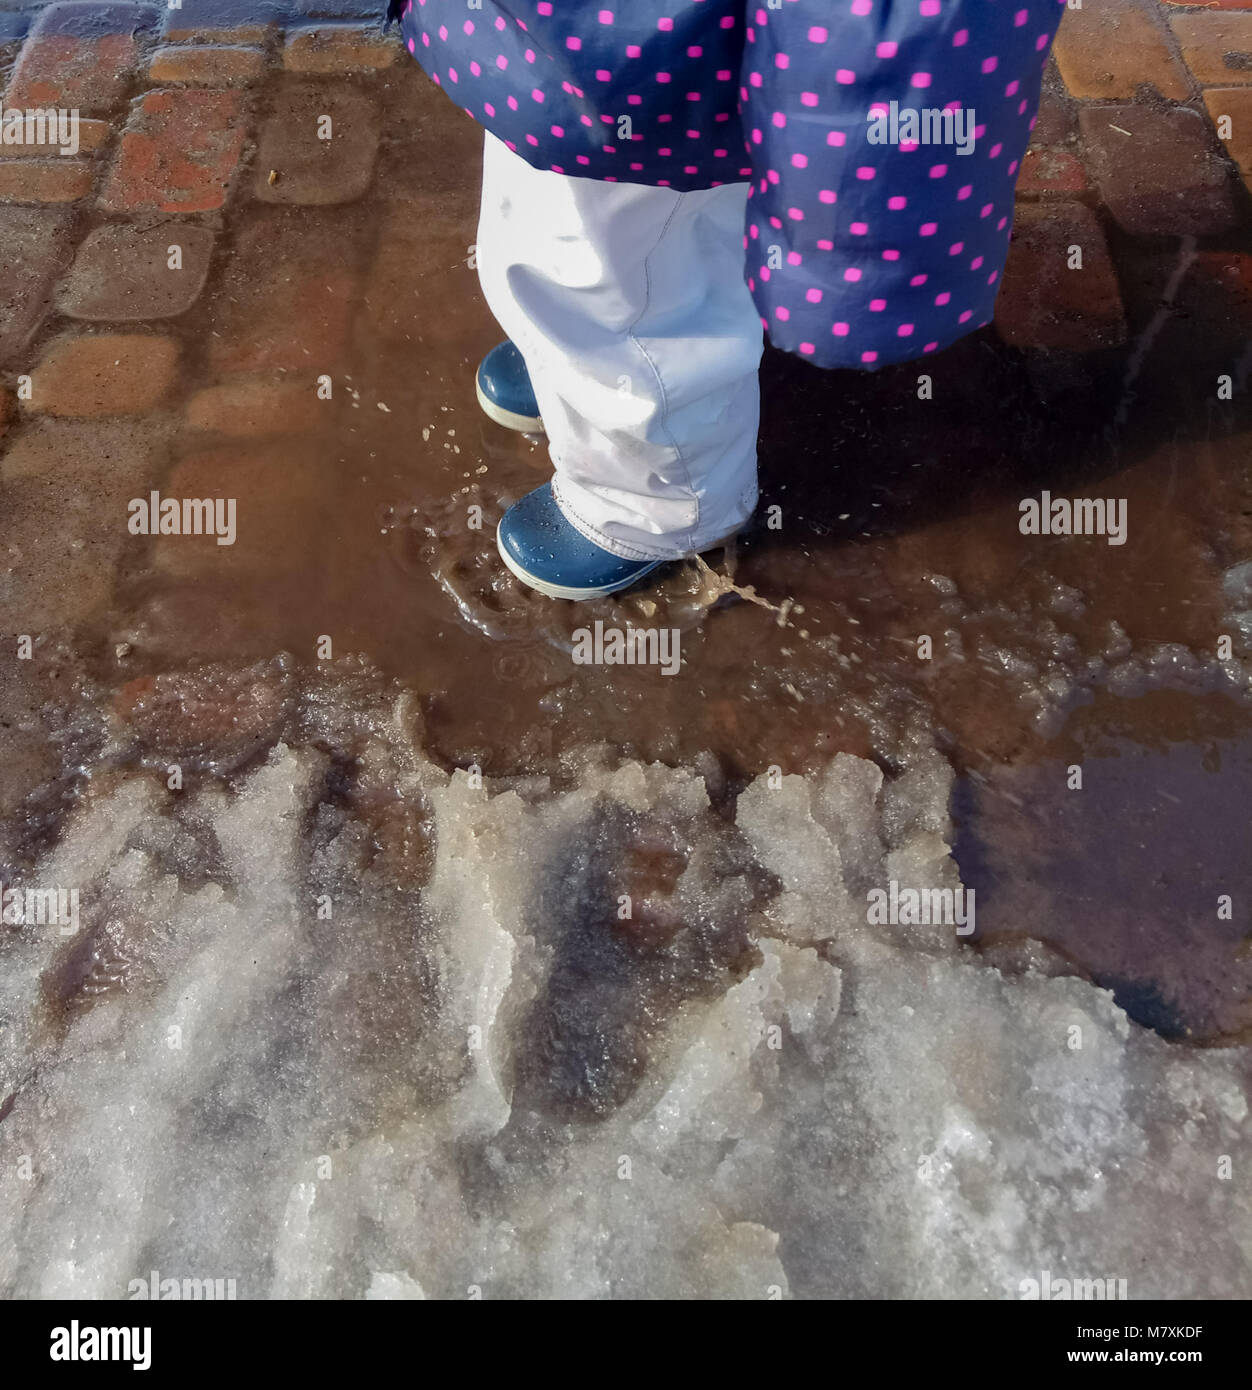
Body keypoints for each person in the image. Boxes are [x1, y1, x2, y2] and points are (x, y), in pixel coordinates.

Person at [388, 0, 1064, 599]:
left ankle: (661, 505)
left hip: (637, 58)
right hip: (579, 43)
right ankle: (589, 364)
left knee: (614, 282)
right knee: (599, 225)